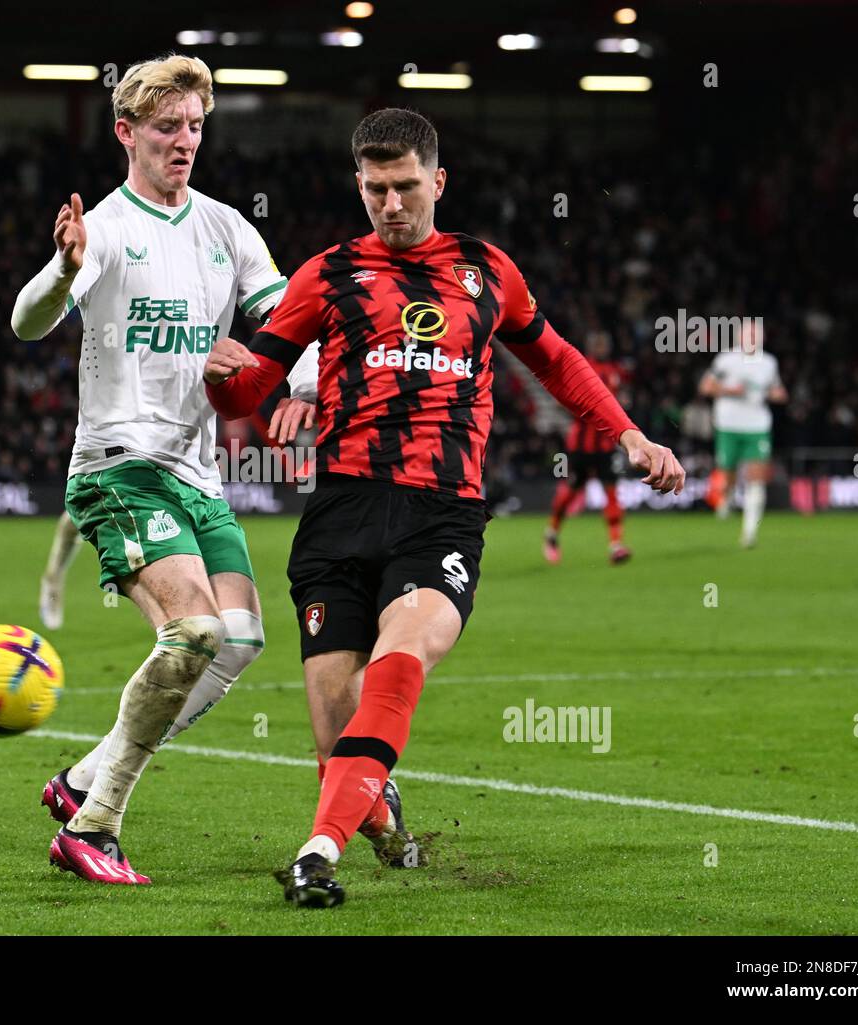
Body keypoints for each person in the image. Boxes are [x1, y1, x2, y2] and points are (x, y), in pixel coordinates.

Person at [204, 108, 685, 907]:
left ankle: (314, 854)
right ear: (358, 185)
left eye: (405, 187)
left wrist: (627, 433)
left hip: (441, 513)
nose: (391, 205)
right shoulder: (324, 276)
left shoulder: (487, 270)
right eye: (375, 189)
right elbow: (250, 390)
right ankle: (375, 814)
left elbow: (556, 359)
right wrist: (227, 374)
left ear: (438, 181)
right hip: (340, 512)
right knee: (335, 732)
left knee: (404, 656)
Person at [10, 53, 311, 884]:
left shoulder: (225, 229)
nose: (185, 141)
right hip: (117, 465)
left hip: (196, 474)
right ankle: (94, 827)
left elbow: (289, 320)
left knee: (241, 638)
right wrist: (65, 268)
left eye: (195, 127)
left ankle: (78, 783)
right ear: (127, 133)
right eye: (168, 127)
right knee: (196, 631)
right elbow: (26, 320)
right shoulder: (104, 229)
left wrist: (309, 387)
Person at [543, 331, 633, 564]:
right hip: (580, 446)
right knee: (569, 492)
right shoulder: (582, 368)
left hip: (606, 445)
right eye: (598, 343)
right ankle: (552, 532)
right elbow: (560, 397)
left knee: (612, 493)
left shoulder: (615, 371)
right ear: (592, 346)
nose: (602, 347)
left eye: (605, 343)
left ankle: (616, 544)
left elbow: (622, 401)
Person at [698, 321, 787, 548]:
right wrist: (729, 390)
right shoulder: (726, 360)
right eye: (749, 334)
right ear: (739, 337)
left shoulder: (769, 362)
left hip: (757, 426)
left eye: (757, 335)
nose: (753, 338)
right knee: (727, 474)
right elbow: (705, 387)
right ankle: (726, 499)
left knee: (756, 478)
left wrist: (776, 394)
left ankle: (749, 533)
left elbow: (778, 390)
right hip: (728, 424)